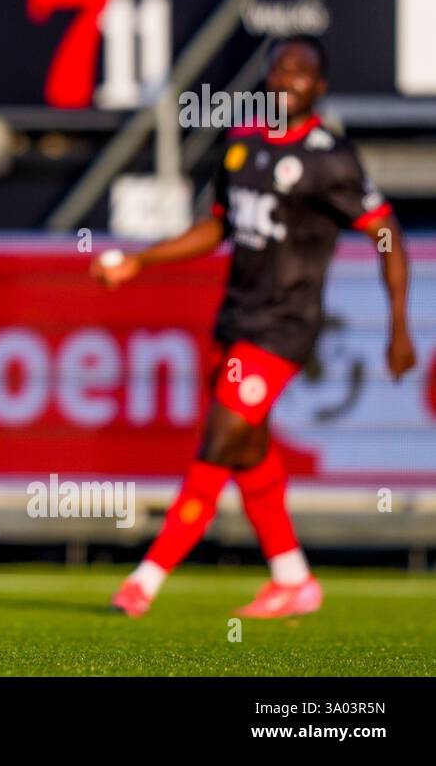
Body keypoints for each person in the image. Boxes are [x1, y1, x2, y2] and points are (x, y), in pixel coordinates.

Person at [92, 36, 416, 618]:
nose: (287, 77)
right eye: (280, 67)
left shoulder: (330, 157)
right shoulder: (241, 142)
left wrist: (399, 325)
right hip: (235, 321)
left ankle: (145, 579)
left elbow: (387, 233)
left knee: (220, 440)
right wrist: (141, 260)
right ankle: (294, 579)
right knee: (249, 451)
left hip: (284, 328)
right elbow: (216, 227)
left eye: (302, 70)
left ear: (319, 88)